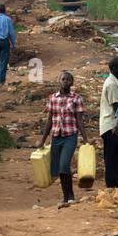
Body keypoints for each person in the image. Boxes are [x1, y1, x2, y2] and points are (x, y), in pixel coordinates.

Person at [38, 71, 87, 208]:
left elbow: (80, 121)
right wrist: (43, 140)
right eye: (63, 79)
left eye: (68, 80)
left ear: (72, 83)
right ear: (59, 81)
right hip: (56, 137)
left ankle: (71, 195)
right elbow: (49, 120)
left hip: (70, 136)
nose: (65, 82)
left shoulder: (76, 99)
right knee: (59, 169)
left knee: (64, 164)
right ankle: (66, 197)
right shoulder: (53, 98)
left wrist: (85, 138)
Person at [99, 57, 118, 188]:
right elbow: (117, 109)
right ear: (113, 69)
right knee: (114, 160)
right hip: (113, 128)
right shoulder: (111, 84)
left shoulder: (115, 82)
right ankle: (112, 188)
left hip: (117, 128)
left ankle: (116, 185)